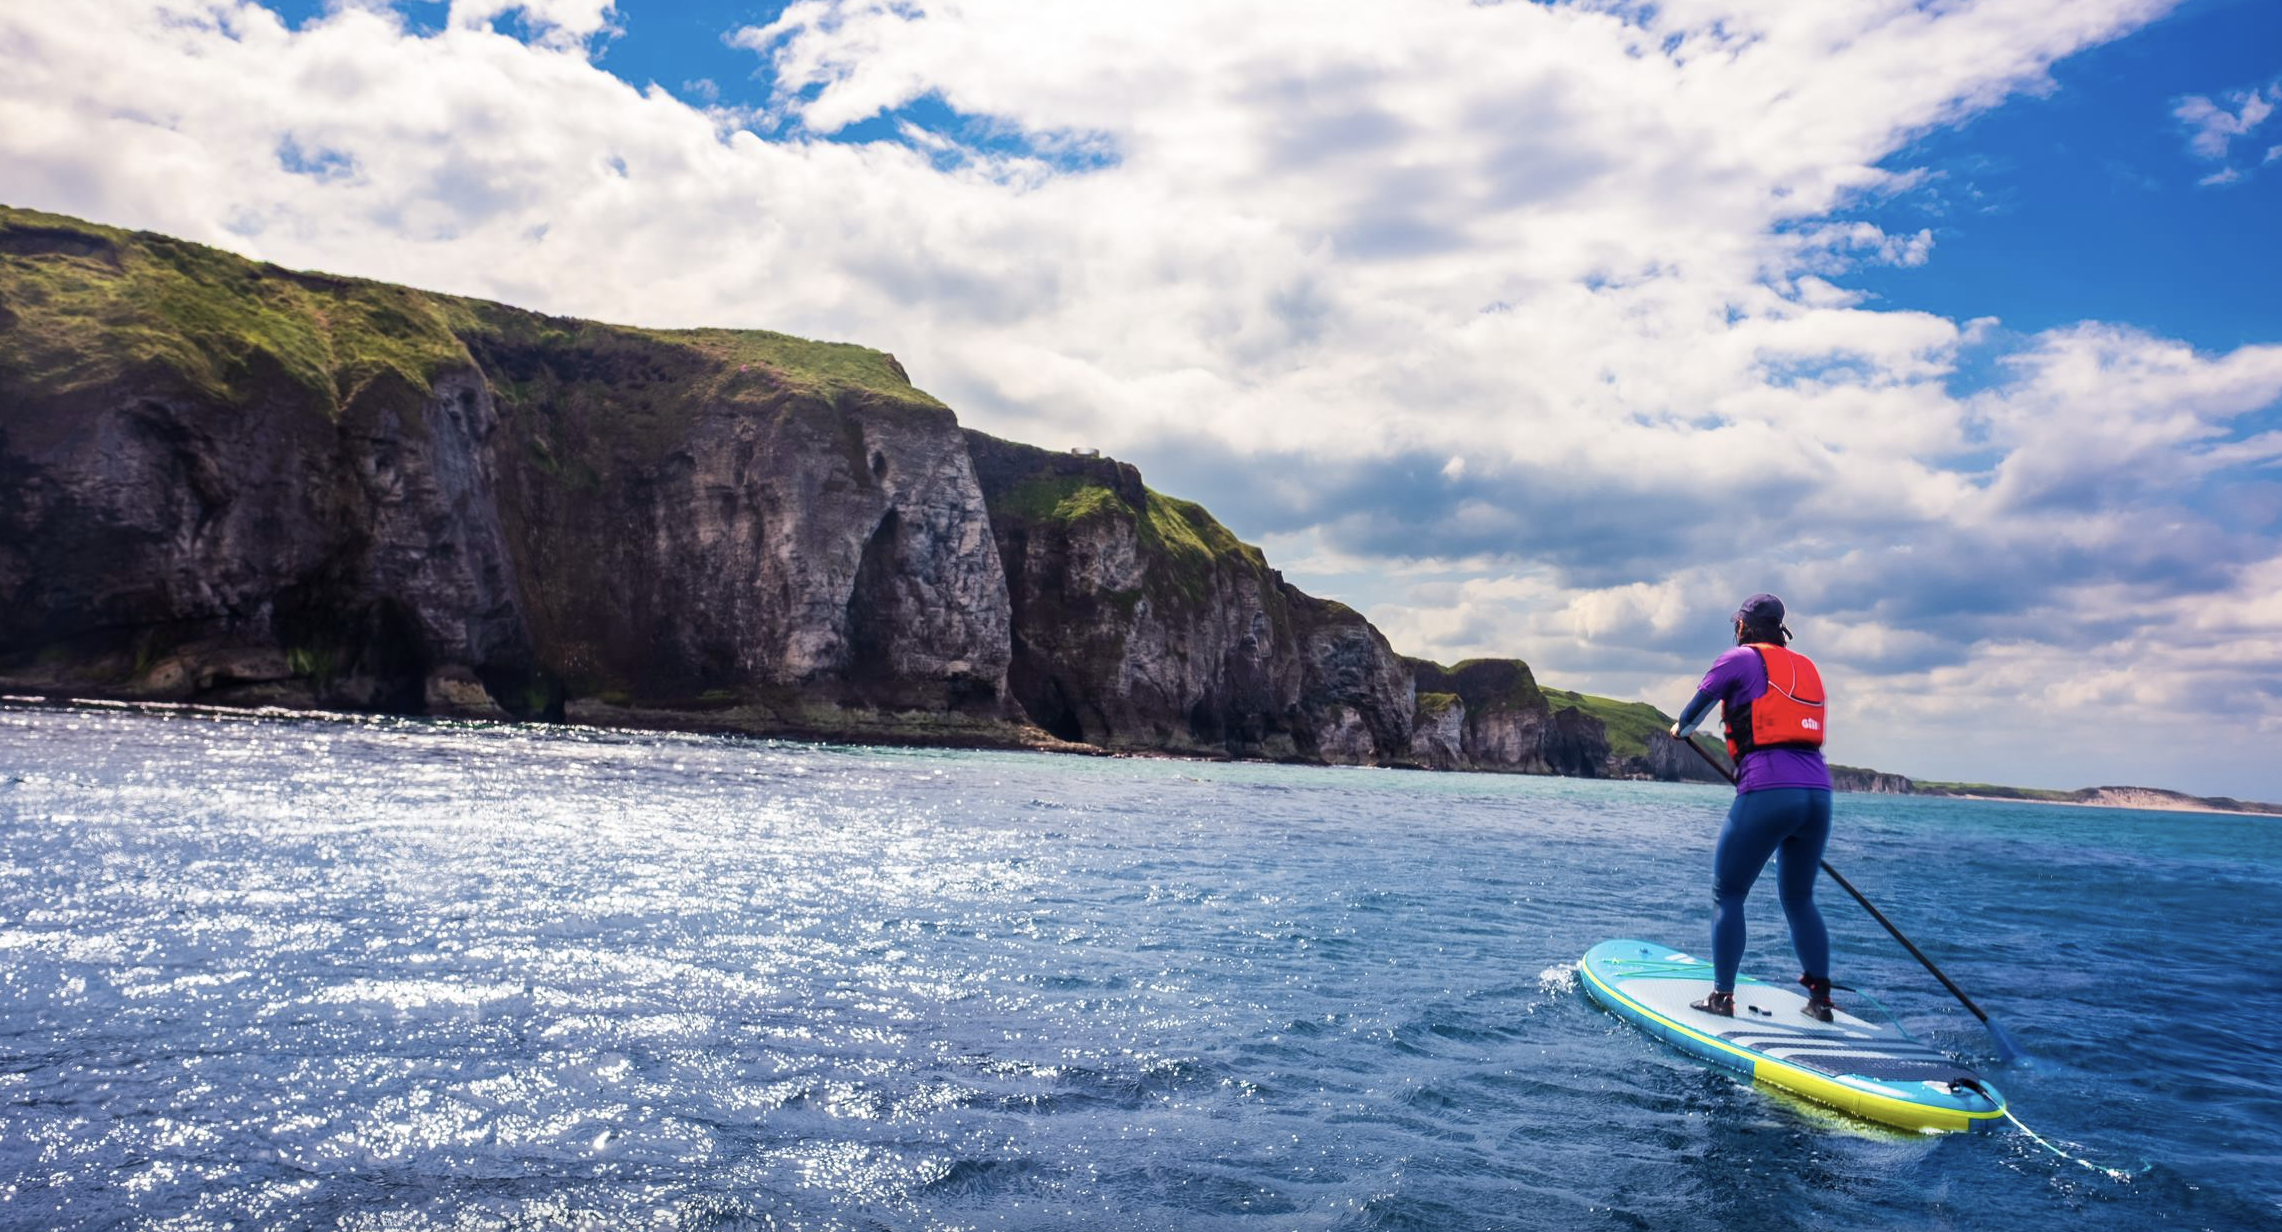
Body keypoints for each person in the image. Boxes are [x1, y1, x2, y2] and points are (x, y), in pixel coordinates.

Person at [1667, 593, 1838, 1021]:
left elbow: (1691, 716)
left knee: (1729, 892)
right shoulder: (1808, 667)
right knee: (1800, 898)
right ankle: (1820, 1001)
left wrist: (1679, 729)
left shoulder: (1737, 659)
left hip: (1769, 790)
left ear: (1743, 627)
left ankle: (1722, 997)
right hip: (1818, 793)